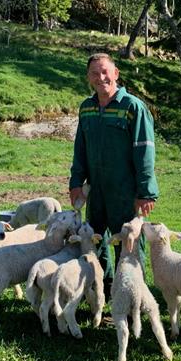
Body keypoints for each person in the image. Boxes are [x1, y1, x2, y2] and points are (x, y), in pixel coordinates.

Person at [69, 53, 159, 290]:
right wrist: (76, 183)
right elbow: (80, 148)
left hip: (125, 192)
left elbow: (144, 151)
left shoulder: (132, 107)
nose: (101, 78)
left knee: (128, 244)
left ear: (116, 74)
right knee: (93, 241)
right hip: (96, 190)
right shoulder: (86, 108)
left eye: (105, 72)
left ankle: (131, 299)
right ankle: (103, 291)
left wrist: (146, 192)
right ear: (89, 78)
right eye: (95, 73)